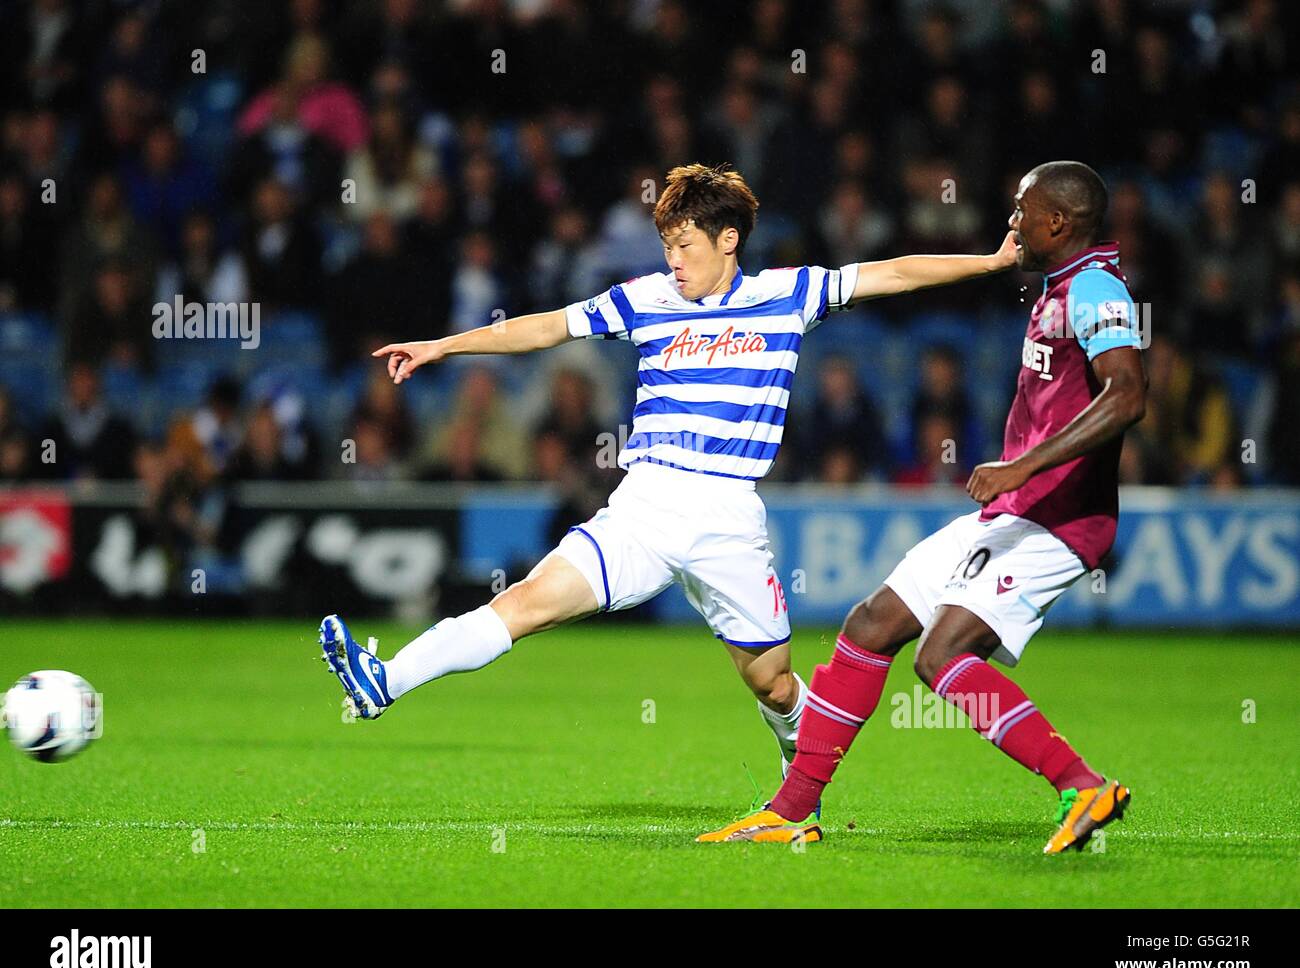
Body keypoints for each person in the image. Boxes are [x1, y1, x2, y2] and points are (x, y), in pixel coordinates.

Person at [318, 163, 1016, 794]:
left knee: (773, 683)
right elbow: (545, 328)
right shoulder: (646, 298)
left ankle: (797, 759)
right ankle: (387, 679)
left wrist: (991, 261)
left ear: (729, 240)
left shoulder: (788, 294)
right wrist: (445, 344)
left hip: (726, 517)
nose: (673, 260)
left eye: (686, 244)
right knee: (527, 601)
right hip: (644, 506)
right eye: (667, 245)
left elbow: (894, 272)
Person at [699, 161, 1146, 853]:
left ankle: (1081, 782)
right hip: (1019, 509)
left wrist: (1020, 465)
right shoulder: (1060, 287)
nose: (1012, 221)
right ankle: (792, 809)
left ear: (1058, 222)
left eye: (1022, 209)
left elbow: (1126, 395)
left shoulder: (1093, 287)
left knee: (940, 657)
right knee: (873, 621)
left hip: (1057, 517)